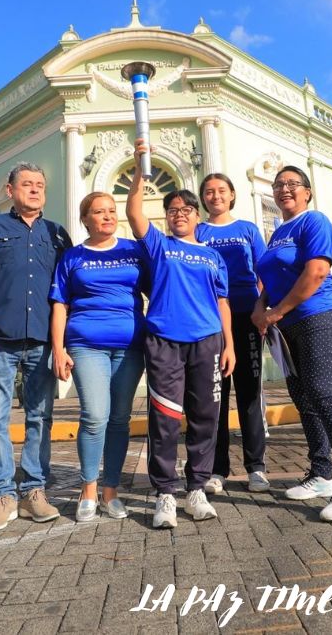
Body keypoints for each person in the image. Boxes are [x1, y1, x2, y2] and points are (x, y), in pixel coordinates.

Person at [126, 141, 234, 528]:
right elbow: (134, 211)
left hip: (207, 342)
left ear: (196, 215)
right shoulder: (158, 246)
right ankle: (165, 494)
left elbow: (222, 303)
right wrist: (141, 169)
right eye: (173, 211)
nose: (179, 215)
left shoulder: (212, 255)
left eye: (186, 210)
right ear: (167, 217)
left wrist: (229, 345)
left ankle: (197, 488)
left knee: (206, 416)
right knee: (166, 419)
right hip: (164, 342)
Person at [0, 163, 71, 531]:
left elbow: (67, 291)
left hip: (42, 342)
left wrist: (64, 342)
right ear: (11, 190)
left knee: (40, 418)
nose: (35, 189)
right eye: (27, 184)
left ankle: (34, 492)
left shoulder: (56, 235)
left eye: (40, 184)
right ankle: (3, 495)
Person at [252, 165, 332, 522]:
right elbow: (269, 280)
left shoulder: (314, 221)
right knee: (304, 398)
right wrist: (260, 309)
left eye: (292, 184)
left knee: (325, 393)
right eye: (279, 184)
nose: (285, 189)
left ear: (307, 192)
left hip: (319, 317)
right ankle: (321, 473)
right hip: (286, 326)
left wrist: (275, 312)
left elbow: (316, 272)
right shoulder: (277, 233)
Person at [50, 193, 146, 522]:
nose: (106, 217)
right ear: (85, 220)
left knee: (119, 419)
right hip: (85, 343)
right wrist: (58, 349)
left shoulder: (134, 251)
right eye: (98, 212)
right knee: (94, 415)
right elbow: (60, 304)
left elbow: (160, 289)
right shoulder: (72, 257)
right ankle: (88, 488)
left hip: (131, 345)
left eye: (110, 211)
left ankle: (111, 491)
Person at [195, 174, 269, 494]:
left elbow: (264, 273)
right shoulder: (198, 231)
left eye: (221, 190)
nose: (215, 196)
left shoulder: (248, 230)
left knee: (250, 395)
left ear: (232, 195)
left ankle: (256, 468)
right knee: (217, 398)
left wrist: (263, 312)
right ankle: (217, 469)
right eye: (209, 192)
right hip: (210, 323)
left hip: (247, 317)